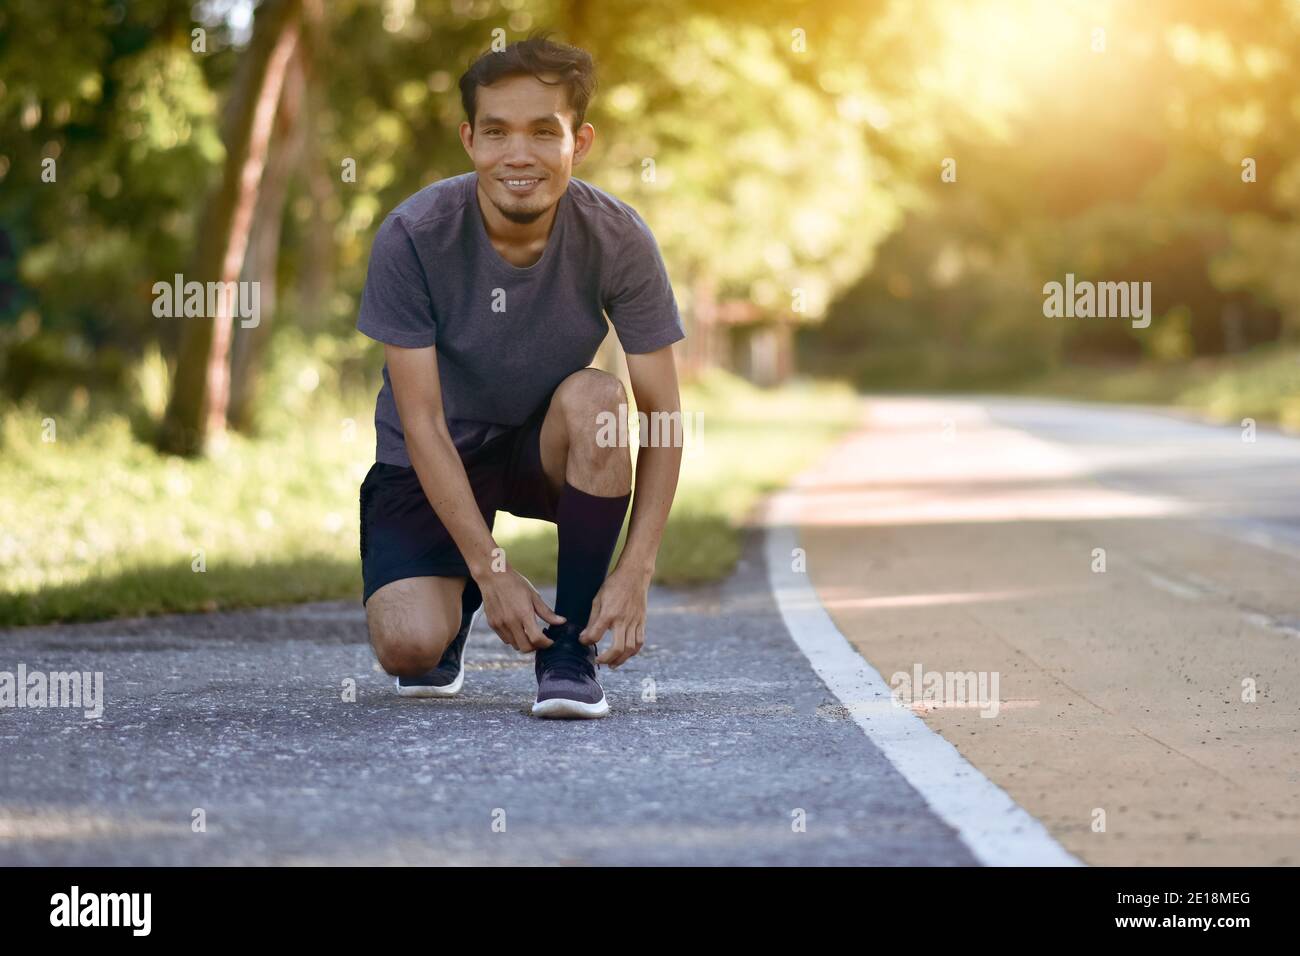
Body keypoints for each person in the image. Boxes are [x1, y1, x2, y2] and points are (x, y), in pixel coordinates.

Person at [356, 33, 686, 719]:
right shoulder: (414, 234)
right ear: (469, 139)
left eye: (544, 132)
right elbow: (421, 421)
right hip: (438, 452)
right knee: (409, 649)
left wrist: (636, 568)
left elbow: (661, 416)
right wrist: (493, 569)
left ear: (580, 142)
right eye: (498, 131)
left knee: (600, 398)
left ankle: (569, 652)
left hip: (543, 445)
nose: (519, 155)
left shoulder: (619, 238)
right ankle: (461, 598)